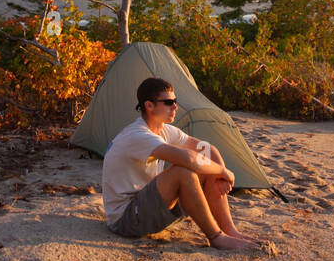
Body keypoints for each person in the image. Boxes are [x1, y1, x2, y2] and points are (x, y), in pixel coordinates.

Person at [101, 76, 260, 250]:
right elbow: (190, 160)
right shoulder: (137, 135)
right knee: (183, 172)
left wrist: (218, 175)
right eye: (169, 102)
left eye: (175, 101)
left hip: (145, 206)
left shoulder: (165, 130)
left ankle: (229, 230)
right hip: (126, 219)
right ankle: (216, 237)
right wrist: (224, 171)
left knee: (205, 166)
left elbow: (206, 148)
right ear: (149, 105)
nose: (175, 106)